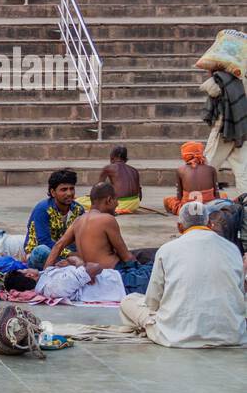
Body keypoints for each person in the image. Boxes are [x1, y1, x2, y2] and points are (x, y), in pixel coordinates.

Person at [120, 202, 247, 347]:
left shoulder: (167, 250)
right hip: (230, 335)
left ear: (179, 226)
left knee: (129, 301)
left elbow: (152, 302)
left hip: (177, 336)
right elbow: (239, 298)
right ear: (209, 223)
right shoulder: (232, 249)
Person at [44, 182, 149, 293]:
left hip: (91, 274)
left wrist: (45, 274)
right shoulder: (107, 219)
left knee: (143, 255)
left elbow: (58, 245)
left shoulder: (79, 220)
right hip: (114, 275)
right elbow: (127, 257)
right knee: (154, 267)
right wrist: (140, 269)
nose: (117, 204)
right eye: (116, 200)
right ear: (109, 200)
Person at [24, 168, 84, 268]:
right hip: (44, 253)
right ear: (53, 192)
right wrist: (70, 255)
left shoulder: (78, 209)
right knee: (42, 250)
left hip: (65, 252)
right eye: (64, 189)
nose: (69, 193)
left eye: (71, 188)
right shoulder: (43, 209)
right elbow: (44, 241)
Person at [202, 68, 247, 192]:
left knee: (208, 166)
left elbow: (208, 88)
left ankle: (202, 198)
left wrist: (212, 75)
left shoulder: (221, 78)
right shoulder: (243, 78)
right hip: (241, 130)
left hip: (223, 131)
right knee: (242, 171)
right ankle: (245, 202)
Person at [164, 141, 222, 215]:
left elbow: (179, 197)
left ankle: (178, 213)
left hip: (188, 209)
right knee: (224, 196)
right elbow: (217, 195)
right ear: (201, 153)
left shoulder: (180, 170)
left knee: (167, 200)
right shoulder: (211, 169)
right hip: (208, 208)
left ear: (184, 156)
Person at [88, 145, 142, 213]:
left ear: (112, 157)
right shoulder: (134, 170)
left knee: (82, 201)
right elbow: (140, 195)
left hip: (120, 204)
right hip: (135, 203)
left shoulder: (108, 168)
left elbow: (98, 189)